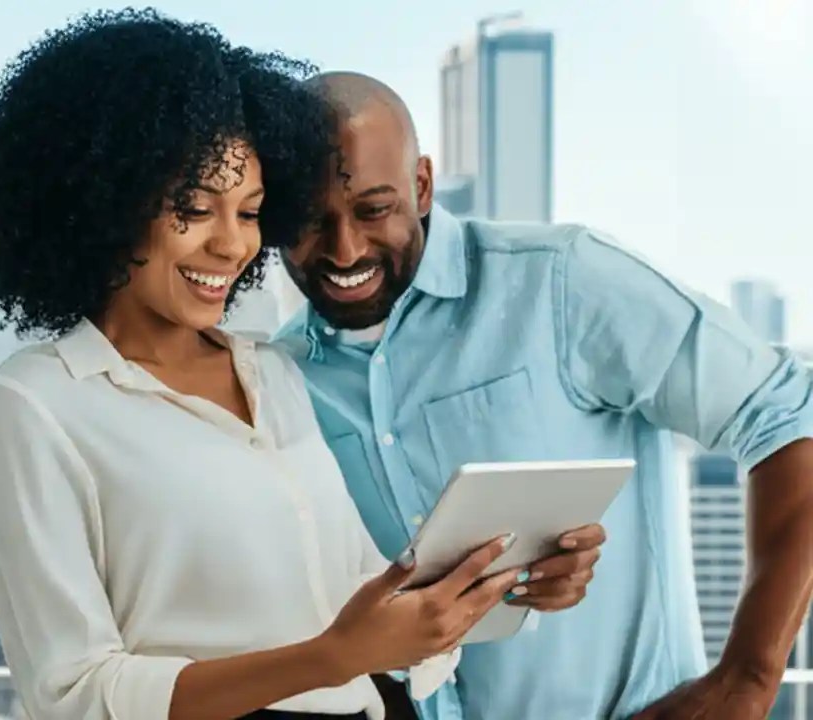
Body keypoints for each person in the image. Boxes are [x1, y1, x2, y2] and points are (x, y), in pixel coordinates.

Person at [0, 11, 602, 720]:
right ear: (103, 202)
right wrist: (336, 657)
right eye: (195, 209)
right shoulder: (38, 402)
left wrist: (505, 580)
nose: (232, 247)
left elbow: (357, 596)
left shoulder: (274, 373)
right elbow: (74, 694)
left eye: (252, 212)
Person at [275, 70, 813, 720]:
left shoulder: (560, 283)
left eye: (373, 209)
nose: (344, 248)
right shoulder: (275, 380)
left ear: (421, 186)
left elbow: (784, 406)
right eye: (308, 219)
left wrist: (747, 680)